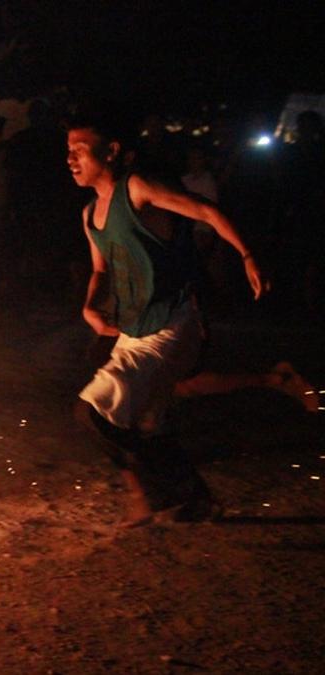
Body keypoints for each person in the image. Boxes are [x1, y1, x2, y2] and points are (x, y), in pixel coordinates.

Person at [67, 111, 269, 527]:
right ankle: (196, 500)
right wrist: (90, 307)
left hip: (171, 325)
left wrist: (247, 254)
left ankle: (146, 495)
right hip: (134, 331)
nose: (71, 159)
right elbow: (101, 271)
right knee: (147, 424)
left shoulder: (136, 188)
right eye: (68, 152)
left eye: (81, 150)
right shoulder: (90, 215)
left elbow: (206, 211)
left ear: (112, 151)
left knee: (93, 412)